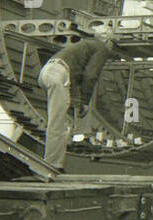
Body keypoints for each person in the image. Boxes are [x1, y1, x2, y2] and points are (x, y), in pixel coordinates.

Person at [38, 24, 116, 170]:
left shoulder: (84, 46)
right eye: (112, 42)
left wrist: (77, 102)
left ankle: (57, 158)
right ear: (107, 40)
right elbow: (90, 76)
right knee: (58, 123)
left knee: (64, 121)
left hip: (48, 72)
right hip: (58, 74)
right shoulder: (101, 48)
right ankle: (51, 165)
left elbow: (73, 78)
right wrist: (85, 102)